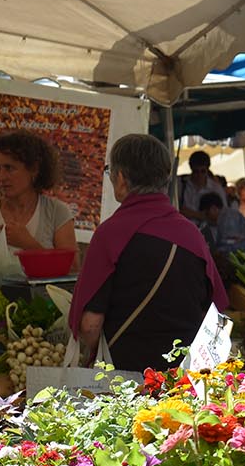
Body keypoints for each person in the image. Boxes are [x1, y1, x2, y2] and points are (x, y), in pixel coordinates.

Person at [70, 134, 228, 374]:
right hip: (183, 380)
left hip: (125, 381)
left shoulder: (110, 234)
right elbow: (216, 313)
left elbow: (90, 326)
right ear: (164, 178)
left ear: (121, 178)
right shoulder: (191, 234)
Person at [0, 131, 78, 291]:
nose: (1, 177)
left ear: (34, 169)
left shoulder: (57, 213)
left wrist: (29, 244)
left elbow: (72, 270)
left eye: (9, 168)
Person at [178, 149, 226, 225]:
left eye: (203, 171)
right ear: (191, 169)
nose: (199, 175)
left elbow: (223, 216)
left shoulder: (216, 188)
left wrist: (193, 214)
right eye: (196, 171)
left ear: (207, 170)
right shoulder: (181, 185)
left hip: (210, 233)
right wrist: (203, 216)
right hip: (186, 230)